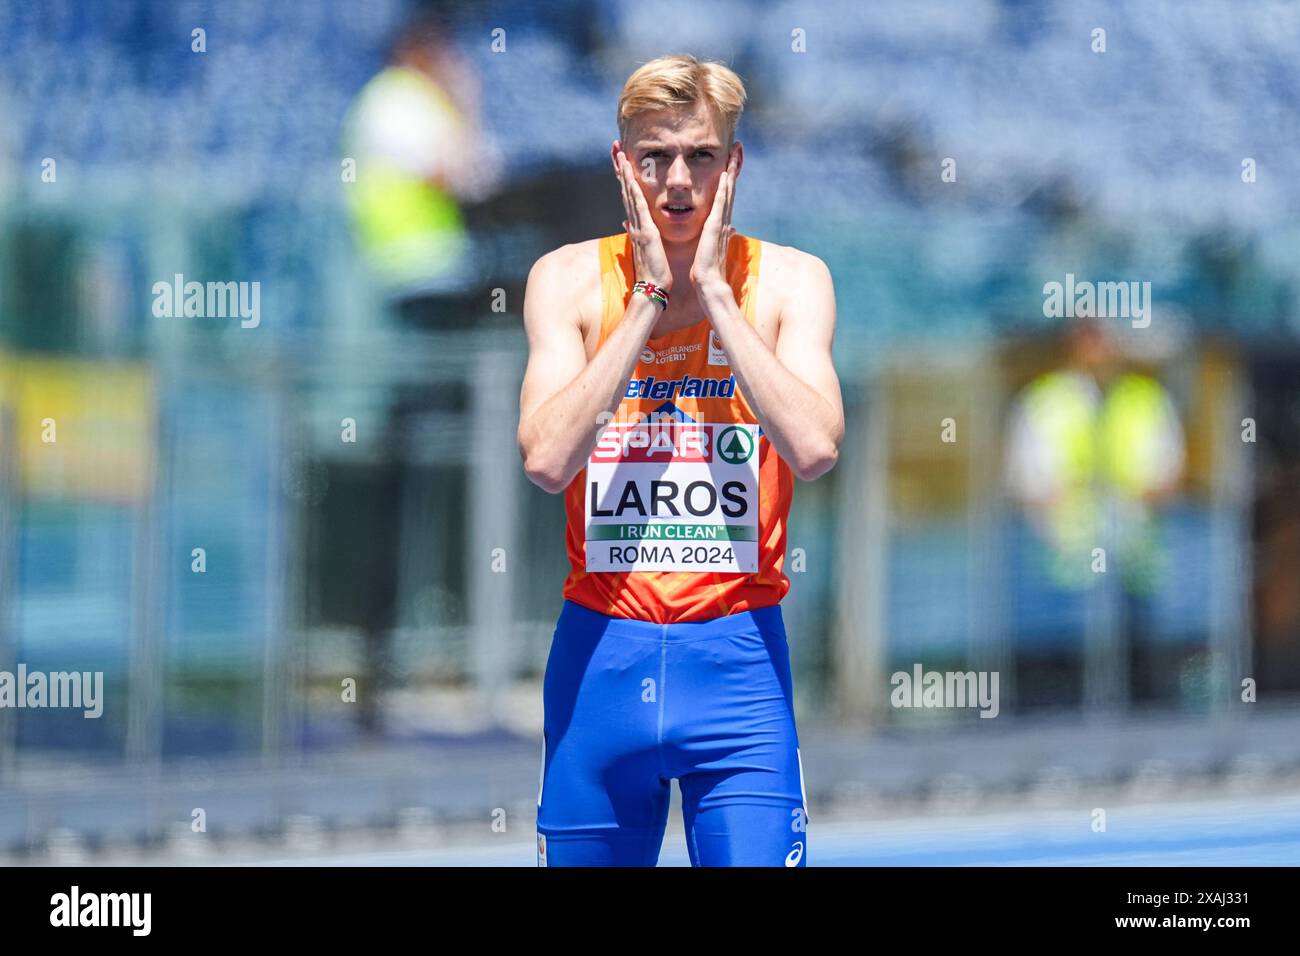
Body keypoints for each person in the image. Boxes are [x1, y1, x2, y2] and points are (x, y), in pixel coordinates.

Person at [516, 55, 844, 866]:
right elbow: (547, 460)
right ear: (621, 163)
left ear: (733, 164)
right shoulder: (566, 281)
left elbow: (814, 447)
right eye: (654, 157)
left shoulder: (791, 283)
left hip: (737, 670)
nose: (677, 182)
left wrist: (720, 299)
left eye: (700, 155)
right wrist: (649, 303)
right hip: (602, 664)